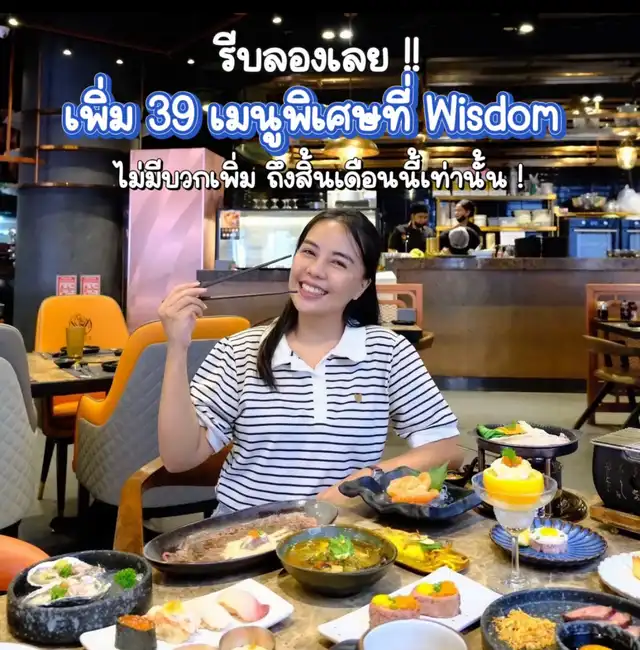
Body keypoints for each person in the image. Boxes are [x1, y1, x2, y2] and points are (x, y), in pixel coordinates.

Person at [158, 209, 463, 514]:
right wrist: (177, 346)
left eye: (338, 262)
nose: (315, 270)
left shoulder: (389, 352)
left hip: (342, 534)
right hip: (243, 534)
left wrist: (366, 479)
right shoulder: (239, 350)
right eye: (308, 252)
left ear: (362, 285)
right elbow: (179, 458)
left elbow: (446, 449)